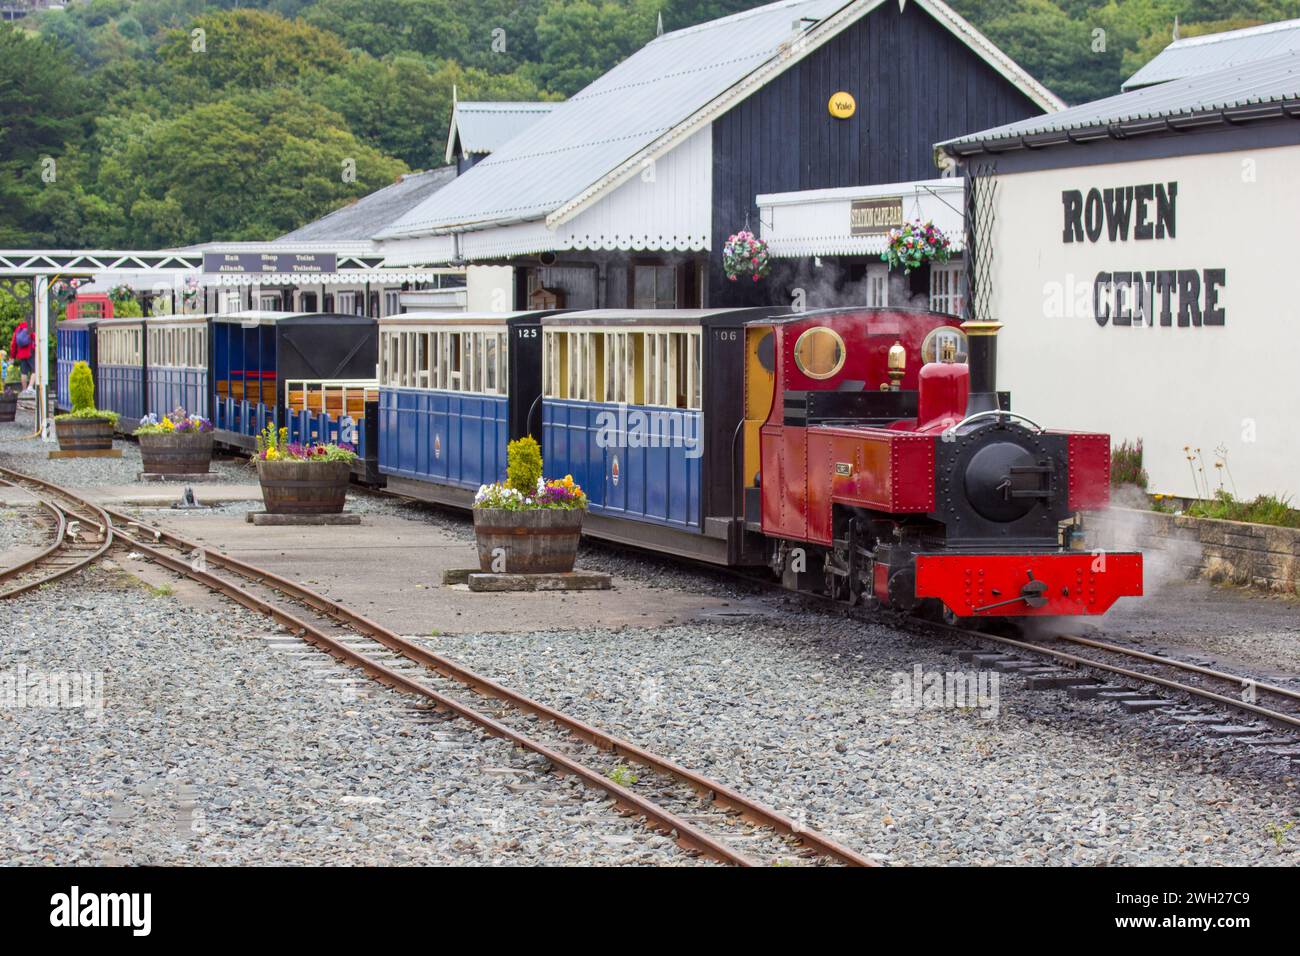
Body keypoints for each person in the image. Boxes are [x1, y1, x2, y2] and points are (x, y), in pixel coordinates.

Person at [9, 313, 35, 393]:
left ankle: (24, 390)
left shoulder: (18, 328)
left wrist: (12, 356)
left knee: (24, 372)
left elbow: (13, 343)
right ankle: (30, 387)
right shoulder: (30, 328)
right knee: (35, 370)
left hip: (21, 354)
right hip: (30, 353)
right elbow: (35, 338)